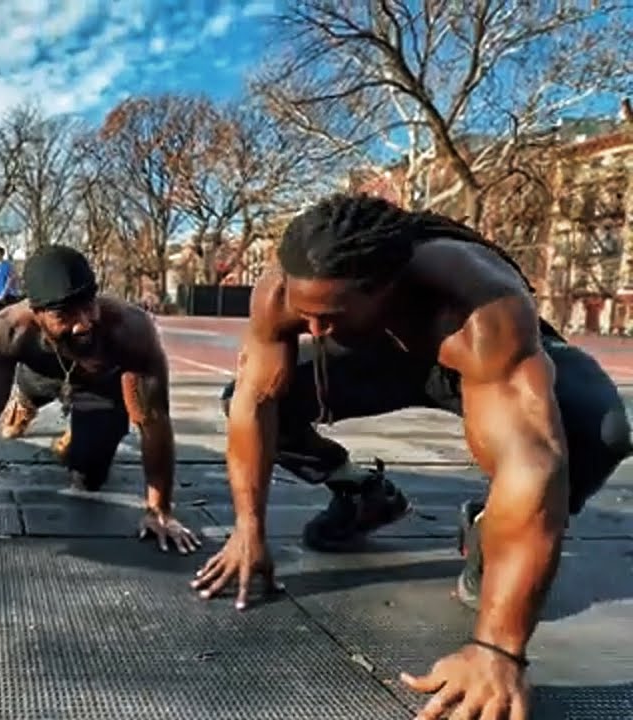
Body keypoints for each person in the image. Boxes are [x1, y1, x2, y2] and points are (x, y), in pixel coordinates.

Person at [190, 194, 631, 720]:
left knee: (600, 430)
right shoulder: (285, 295)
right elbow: (254, 404)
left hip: (468, 356)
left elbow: (532, 460)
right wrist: (248, 528)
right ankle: (360, 493)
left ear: (387, 289)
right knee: (248, 395)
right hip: (377, 355)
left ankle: (488, 533)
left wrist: (497, 650)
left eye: (327, 316)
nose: (311, 331)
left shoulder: (480, 303)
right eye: (304, 314)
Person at [0, 245, 201, 554]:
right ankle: (26, 399)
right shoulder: (11, 329)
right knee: (20, 394)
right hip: (40, 375)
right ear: (36, 311)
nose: (83, 322)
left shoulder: (130, 328)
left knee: (89, 476)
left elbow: (154, 421)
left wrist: (160, 510)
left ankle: (77, 436)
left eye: (87, 305)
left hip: (99, 386)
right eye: (64, 314)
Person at [0, 246, 20, 319]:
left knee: (8, 315)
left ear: (1, 254)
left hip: (7, 294)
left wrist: (4, 292)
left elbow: (10, 279)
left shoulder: (7, 265)